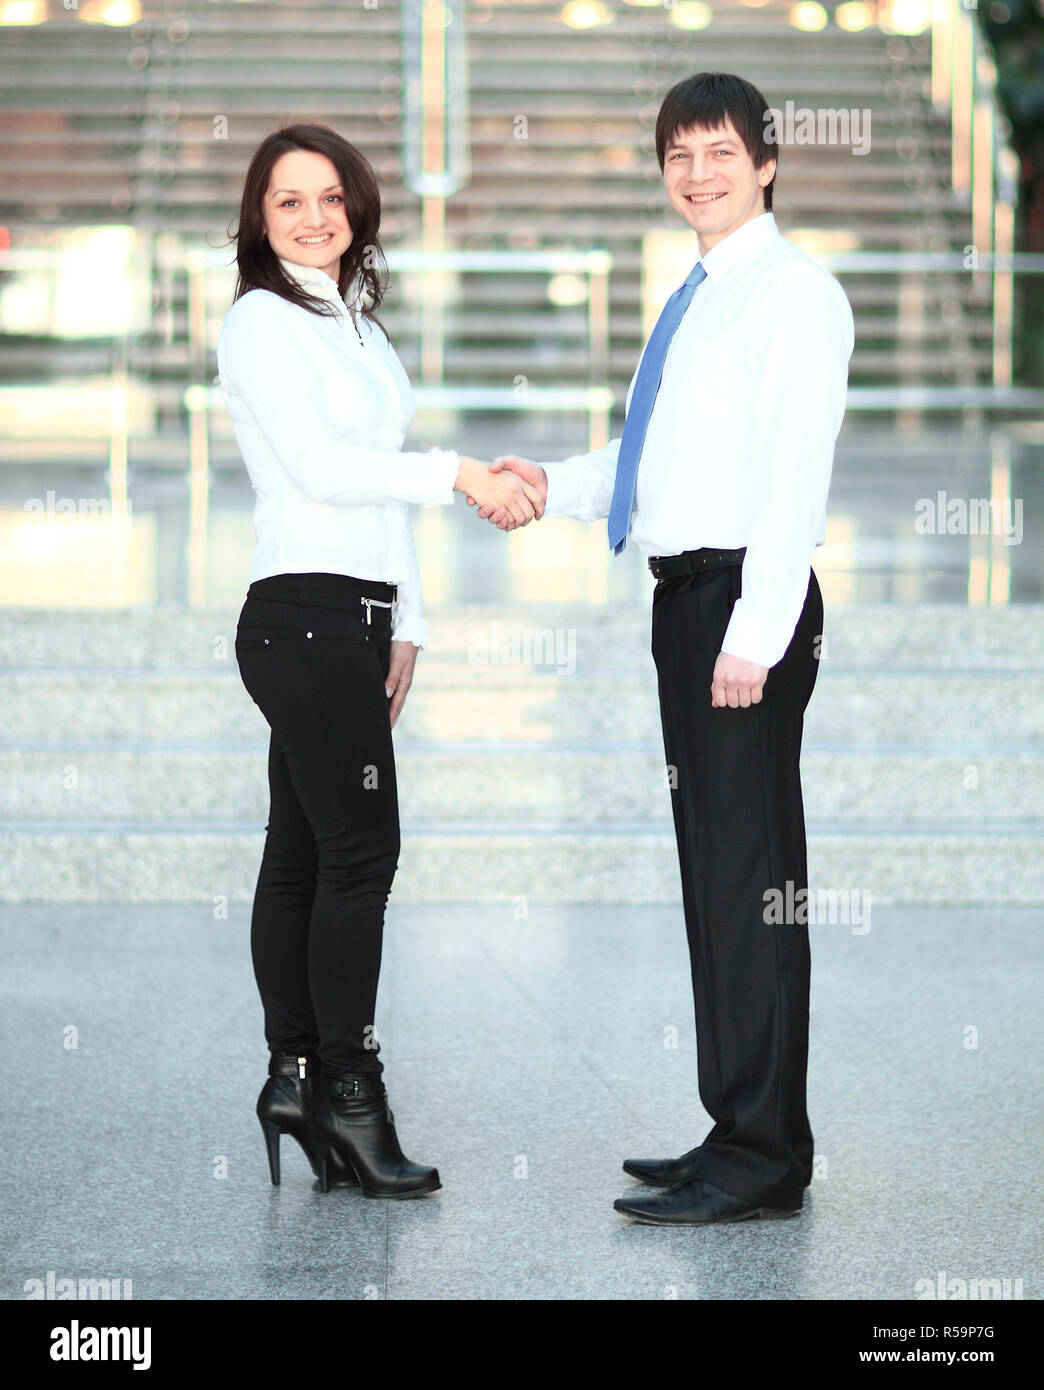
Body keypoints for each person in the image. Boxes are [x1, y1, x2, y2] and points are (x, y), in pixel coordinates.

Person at [475, 72, 854, 1225]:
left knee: (752, 884)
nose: (698, 172)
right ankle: (737, 1127)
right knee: (717, 882)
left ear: (768, 161)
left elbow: (794, 479)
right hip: (685, 600)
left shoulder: (794, 295)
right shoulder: (700, 294)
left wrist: (755, 630)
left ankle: (762, 1161)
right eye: (678, 154)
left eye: (720, 151)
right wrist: (556, 483)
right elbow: (653, 459)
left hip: (741, 604)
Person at [217, 122, 540, 1199]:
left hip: (350, 619)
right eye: (288, 202)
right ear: (259, 222)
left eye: (330, 197)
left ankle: (298, 1079)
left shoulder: (354, 324)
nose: (315, 217)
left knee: (308, 854)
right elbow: (324, 468)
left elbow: (377, 474)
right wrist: (459, 475)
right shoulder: (263, 322)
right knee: (363, 852)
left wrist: (409, 622)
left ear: (357, 205)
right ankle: (349, 1092)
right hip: (299, 615)